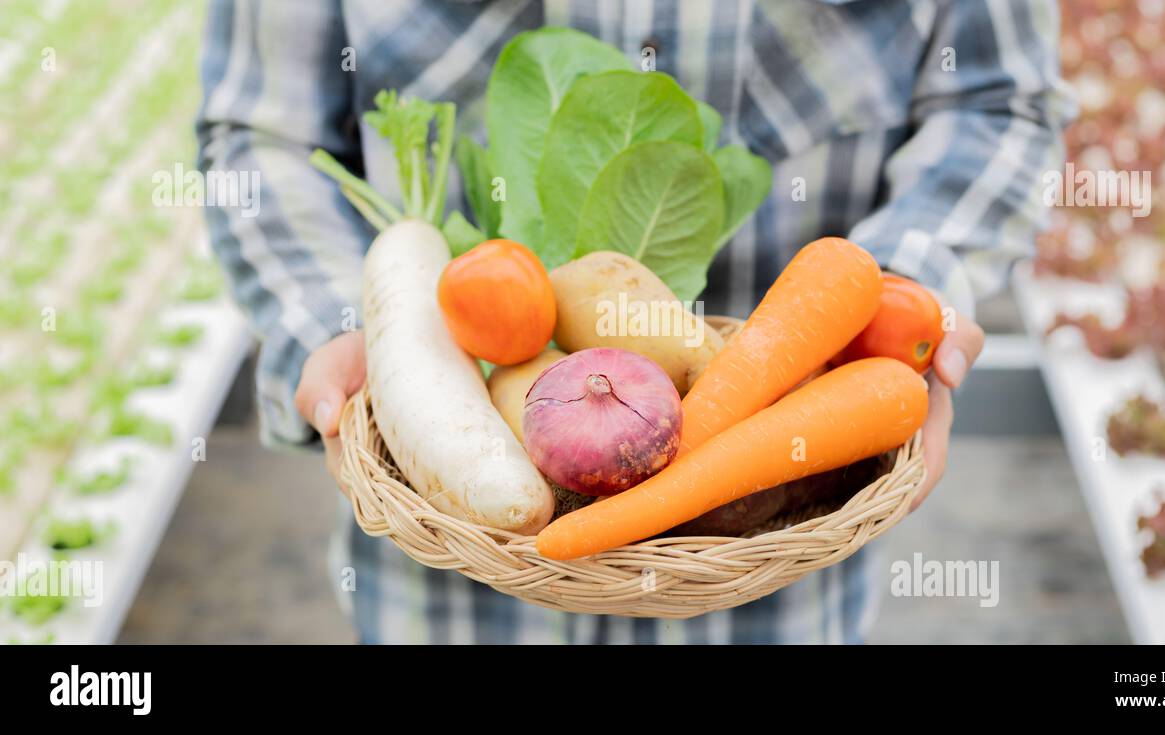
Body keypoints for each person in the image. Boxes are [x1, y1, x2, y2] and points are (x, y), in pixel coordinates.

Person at [198, 0, 1071, 644]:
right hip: (450, 568)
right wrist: (346, 325)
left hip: (780, 561)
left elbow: (994, 104)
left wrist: (892, 303)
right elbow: (260, 133)